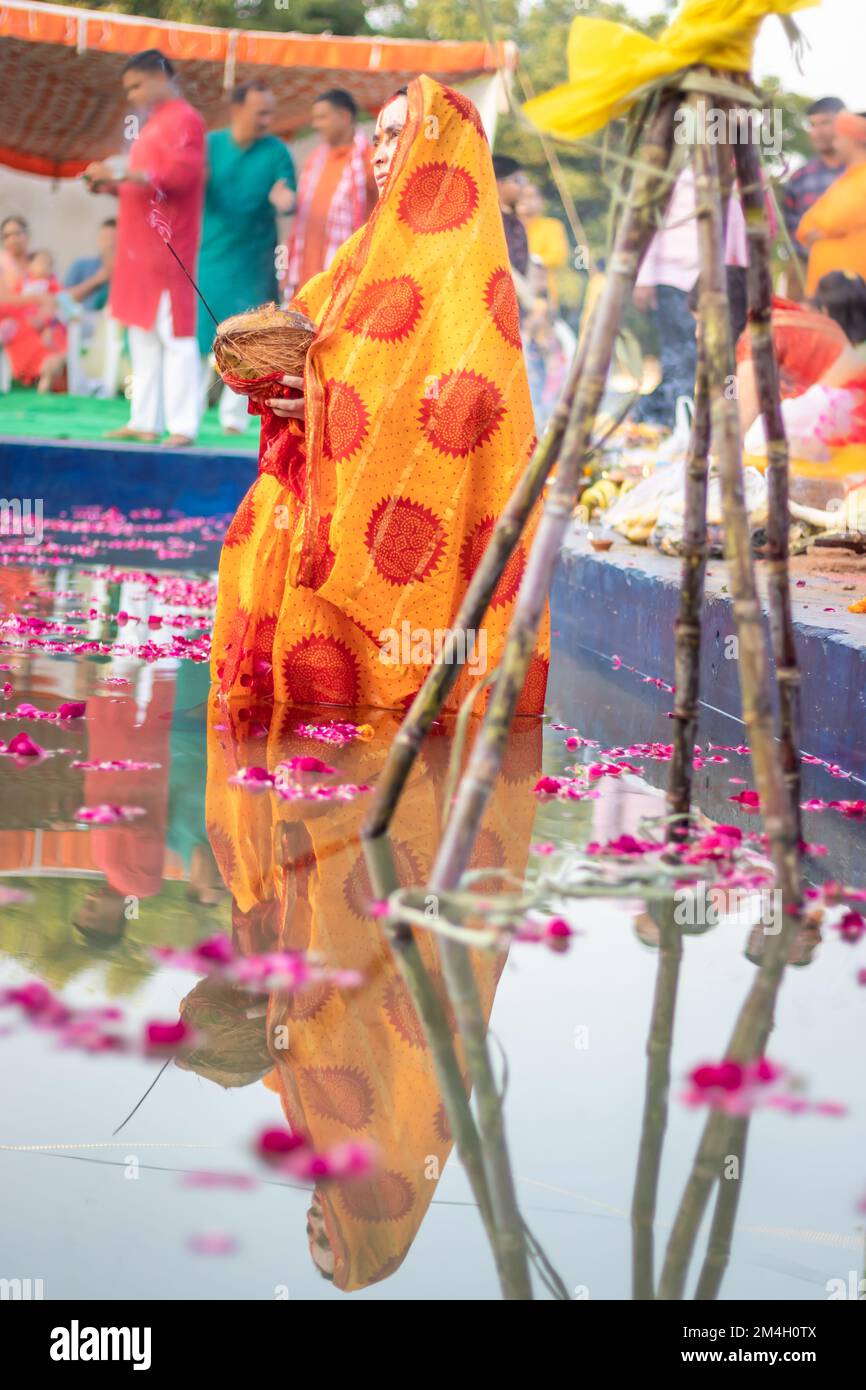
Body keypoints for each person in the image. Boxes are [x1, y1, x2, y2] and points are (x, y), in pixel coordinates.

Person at [212, 77, 549, 716]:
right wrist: (266, 364)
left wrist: (333, 398)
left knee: (394, 724)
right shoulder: (364, 251)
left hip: (410, 514)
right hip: (328, 494)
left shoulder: (465, 262)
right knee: (309, 730)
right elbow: (312, 334)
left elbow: (467, 403)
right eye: (378, 137)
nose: (380, 150)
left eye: (398, 133)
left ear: (442, 143)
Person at [83, 49, 206, 447]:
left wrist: (120, 171)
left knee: (176, 336)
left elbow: (179, 176)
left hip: (168, 246)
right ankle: (144, 420)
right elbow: (144, 185)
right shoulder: (152, 126)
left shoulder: (186, 119)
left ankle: (183, 426)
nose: (133, 95)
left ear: (159, 76)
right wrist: (109, 185)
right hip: (138, 248)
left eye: (137, 85)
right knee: (142, 335)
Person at [197, 81, 297, 435]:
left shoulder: (276, 151)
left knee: (248, 340)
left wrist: (285, 200)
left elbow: (287, 192)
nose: (267, 120)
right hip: (210, 256)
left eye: (270, 112)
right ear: (237, 109)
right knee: (199, 337)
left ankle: (234, 419)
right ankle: (187, 415)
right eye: (261, 113)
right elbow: (186, 182)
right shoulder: (210, 146)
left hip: (255, 262)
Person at [281, 88, 376, 302]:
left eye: (322, 117)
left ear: (344, 116)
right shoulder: (315, 160)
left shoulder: (370, 159)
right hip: (306, 282)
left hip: (346, 283)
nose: (316, 125)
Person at [798, 111, 866, 298]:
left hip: (852, 299)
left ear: (853, 140)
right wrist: (819, 229)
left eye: (838, 137)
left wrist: (821, 230)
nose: (834, 144)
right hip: (831, 295)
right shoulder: (845, 180)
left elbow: (833, 220)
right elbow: (805, 226)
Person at [0, 214, 67, 390]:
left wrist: (46, 317)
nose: (13, 239)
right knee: (23, 329)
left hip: (40, 318)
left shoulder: (39, 261)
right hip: (12, 317)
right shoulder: (2, 264)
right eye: (7, 235)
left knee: (55, 331)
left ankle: (51, 366)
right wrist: (36, 298)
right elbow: (3, 299)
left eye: (17, 233)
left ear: (27, 235)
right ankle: (45, 367)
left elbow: (55, 293)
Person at [781, 97, 845, 262]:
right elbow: (792, 230)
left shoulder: (859, 171)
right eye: (812, 125)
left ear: (845, 124)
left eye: (825, 123)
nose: (817, 132)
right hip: (816, 273)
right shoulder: (799, 179)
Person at [516, 182, 569, 302]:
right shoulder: (507, 227)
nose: (525, 200)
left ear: (541, 201)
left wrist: (531, 259)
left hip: (541, 294)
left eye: (530, 196)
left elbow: (557, 256)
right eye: (521, 196)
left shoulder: (552, 226)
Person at [64, 218, 116, 313]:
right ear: (98, 239)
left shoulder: (131, 272)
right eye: (105, 238)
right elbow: (63, 301)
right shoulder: (81, 265)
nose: (110, 243)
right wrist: (97, 279)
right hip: (84, 322)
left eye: (115, 239)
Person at [492, 154, 529, 278]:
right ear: (499, 184)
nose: (524, 187)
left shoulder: (515, 222)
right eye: (518, 181)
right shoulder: (490, 221)